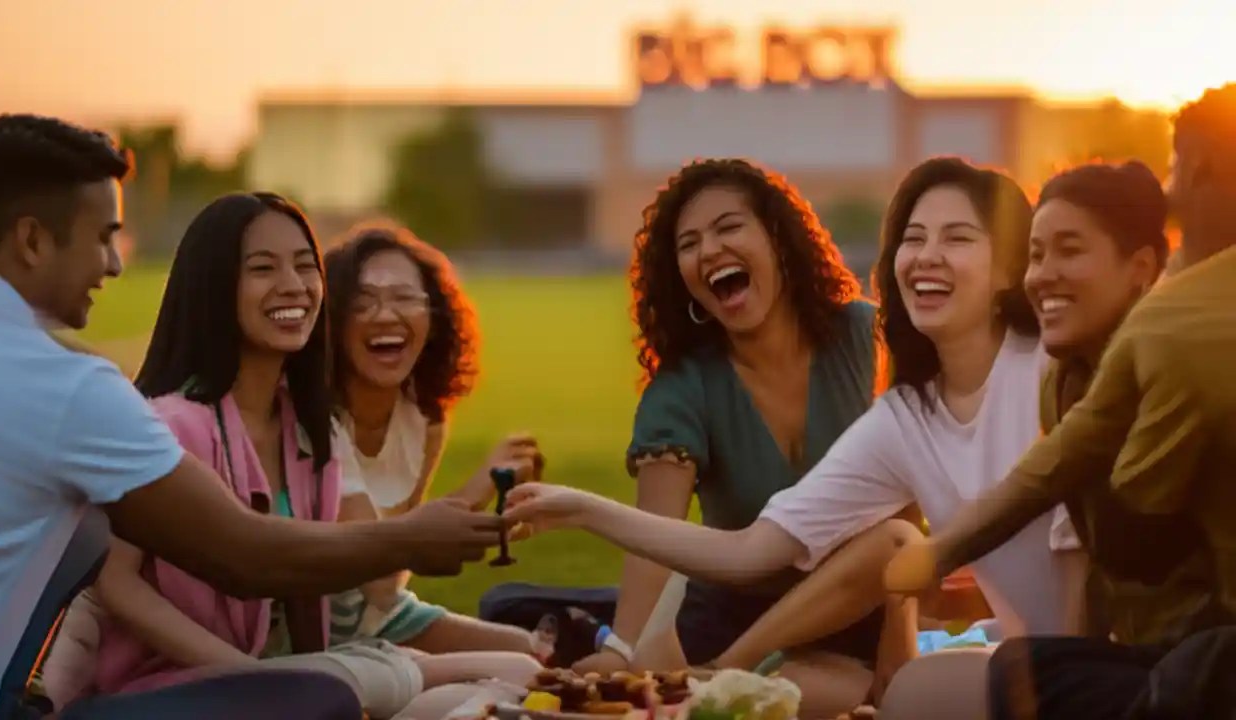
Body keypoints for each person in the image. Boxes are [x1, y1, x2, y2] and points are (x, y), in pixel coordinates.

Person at [0, 114, 501, 718]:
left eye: (305, 265)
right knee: (357, 687)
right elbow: (243, 554)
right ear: (32, 241)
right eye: (104, 237)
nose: (114, 264)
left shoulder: (308, 431)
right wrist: (410, 540)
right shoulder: (72, 392)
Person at [507, 158, 1089, 716]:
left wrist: (921, 611)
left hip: (1093, 657)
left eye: (957, 238)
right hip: (751, 624)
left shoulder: (1050, 372)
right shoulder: (904, 418)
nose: (927, 256)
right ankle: (721, 677)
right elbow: (749, 552)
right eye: (914, 239)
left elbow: (1080, 556)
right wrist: (583, 509)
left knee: (908, 666)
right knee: (903, 693)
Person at [885, 83, 1236, 720]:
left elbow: (1121, 525)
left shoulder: (1175, 329)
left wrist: (936, 553)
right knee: (1007, 674)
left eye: (1069, 252)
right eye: (1035, 255)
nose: (1042, 275)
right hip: (1164, 652)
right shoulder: (1066, 380)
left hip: (1207, 652)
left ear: (1140, 268)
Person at [533, 157, 900, 716]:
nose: (708, 251)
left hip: (854, 609)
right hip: (734, 624)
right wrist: (621, 648)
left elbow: (908, 481)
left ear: (778, 240)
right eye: (689, 244)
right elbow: (653, 537)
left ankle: (715, 685)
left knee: (893, 548)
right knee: (805, 697)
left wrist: (905, 621)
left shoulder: (860, 334)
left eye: (729, 227)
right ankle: (718, 677)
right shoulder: (682, 389)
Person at [323, 222, 544, 656]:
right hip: (318, 629)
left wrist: (505, 519)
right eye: (362, 303)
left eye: (405, 297)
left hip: (381, 617)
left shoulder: (424, 418)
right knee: (508, 670)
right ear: (330, 322)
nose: (386, 315)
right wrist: (476, 493)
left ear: (433, 317)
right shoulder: (317, 423)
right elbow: (377, 577)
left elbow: (392, 584)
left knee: (530, 652)